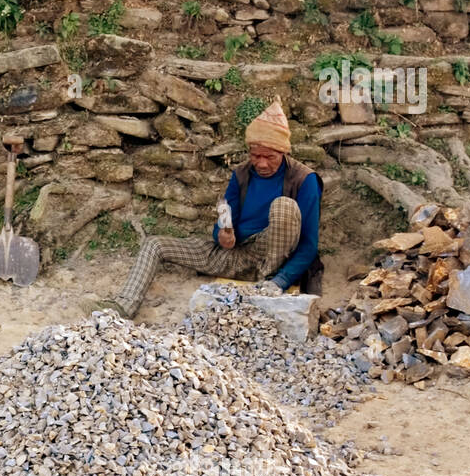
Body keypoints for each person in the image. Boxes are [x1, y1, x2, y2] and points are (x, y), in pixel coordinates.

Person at [102, 98, 323, 318]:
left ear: (284, 152)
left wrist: (280, 281)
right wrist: (223, 235)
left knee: (283, 207)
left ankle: (268, 283)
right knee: (155, 244)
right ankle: (122, 308)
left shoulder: (304, 179)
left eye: (270, 157)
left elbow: (309, 246)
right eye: (256, 156)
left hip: (273, 260)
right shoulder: (242, 174)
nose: (262, 163)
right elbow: (224, 224)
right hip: (237, 256)